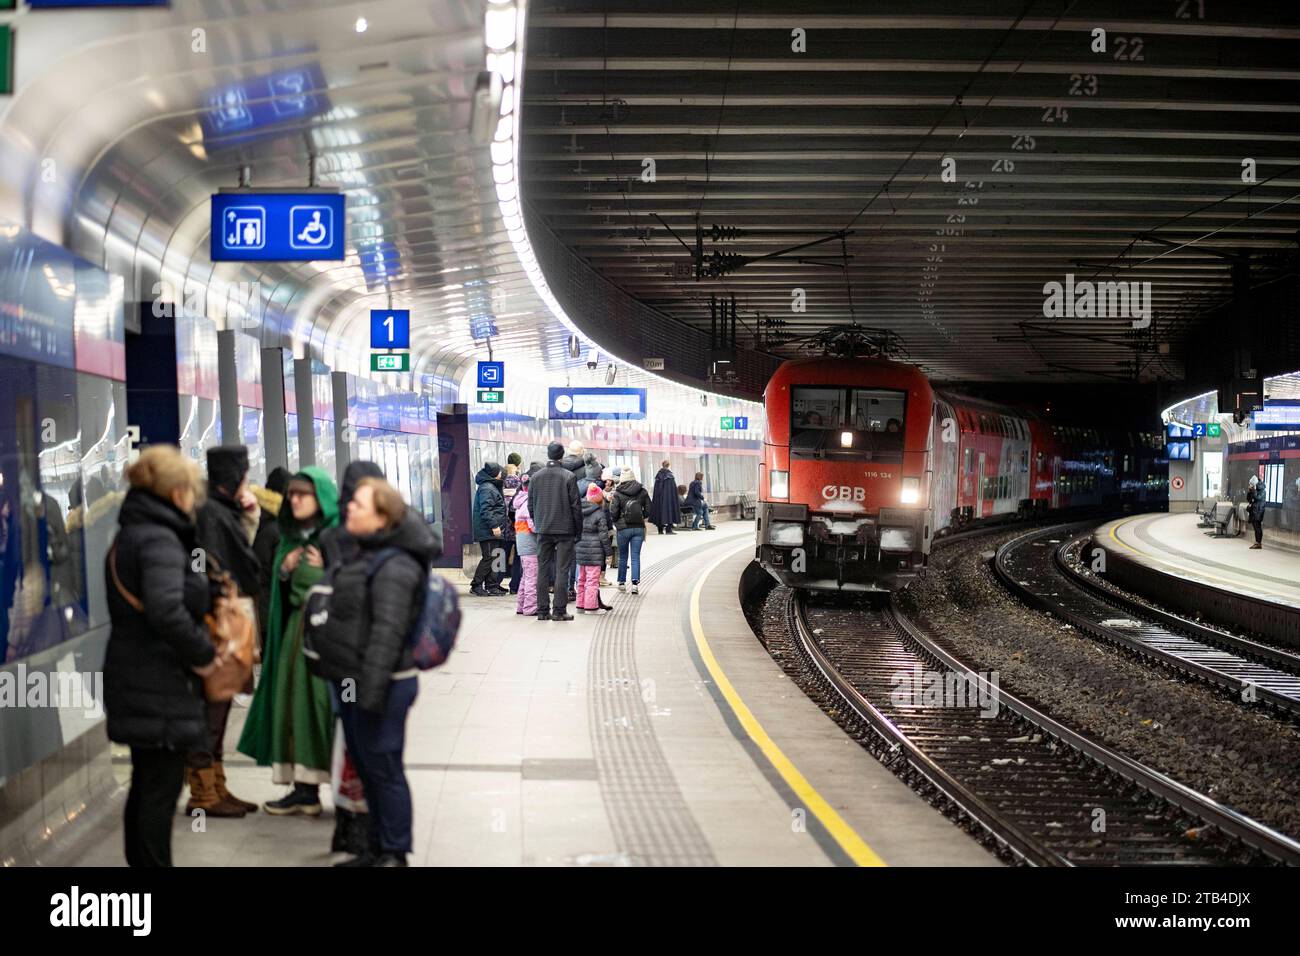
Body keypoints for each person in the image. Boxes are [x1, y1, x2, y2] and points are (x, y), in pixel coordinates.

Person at [311, 478, 437, 867]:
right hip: (354, 681)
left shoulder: (395, 564)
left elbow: (388, 630)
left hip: (381, 683)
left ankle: (395, 853)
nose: (349, 508)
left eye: (359, 505)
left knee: (384, 769)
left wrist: (370, 692)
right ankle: (376, 848)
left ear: (382, 516)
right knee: (367, 767)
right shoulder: (366, 552)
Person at [103, 446, 220, 866]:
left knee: (146, 785)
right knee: (159, 792)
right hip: (159, 683)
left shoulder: (132, 532)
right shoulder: (158, 538)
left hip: (136, 678)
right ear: (176, 492)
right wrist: (204, 654)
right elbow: (166, 609)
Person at [237, 467, 339, 815]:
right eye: (292, 494)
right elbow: (275, 581)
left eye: (303, 494)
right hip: (295, 637)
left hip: (329, 640)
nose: (294, 500)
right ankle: (305, 788)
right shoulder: (289, 538)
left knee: (325, 710)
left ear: (320, 498)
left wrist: (330, 566)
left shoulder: (337, 536)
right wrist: (285, 568)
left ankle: (345, 791)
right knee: (296, 708)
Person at [189, 445, 263, 818]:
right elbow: (242, 568)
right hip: (214, 627)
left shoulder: (216, 511)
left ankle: (216, 785)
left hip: (217, 624)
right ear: (235, 477)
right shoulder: (213, 515)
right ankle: (203, 794)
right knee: (212, 708)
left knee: (218, 708)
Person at [318, 460, 385, 856]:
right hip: (365, 652)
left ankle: (348, 823)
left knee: (347, 739)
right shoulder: (385, 534)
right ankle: (359, 824)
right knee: (365, 744)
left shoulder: (330, 537)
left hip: (339, 653)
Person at [529, 441, 582, 621]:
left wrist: (539, 522)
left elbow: (530, 506)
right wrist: (578, 530)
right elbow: (576, 506)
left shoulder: (536, 477)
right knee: (562, 570)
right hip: (565, 530)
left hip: (543, 529)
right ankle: (559, 611)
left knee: (542, 569)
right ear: (562, 455)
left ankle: (542, 611)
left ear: (548, 454)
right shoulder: (568, 476)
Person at [609, 468, 652, 594]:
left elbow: (614, 512)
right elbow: (649, 509)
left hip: (623, 529)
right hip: (638, 528)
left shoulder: (617, 493)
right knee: (635, 557)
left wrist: (617, 522)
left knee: (623, 556)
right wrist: (640, 516)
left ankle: (622, 583)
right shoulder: (642, 491)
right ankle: (635, 584)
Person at [469, 461, 508, 597]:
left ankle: (492, 585)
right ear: (494, 474)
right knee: (488, 557)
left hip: (491, 529)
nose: (501, 474)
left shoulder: (490, 486)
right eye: (499, 472)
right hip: (488, 530)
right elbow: (486, 510)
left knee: (494, 556)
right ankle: (476, 585)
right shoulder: (487, 488)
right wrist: (494, 526)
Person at [576, 484, 614, 614]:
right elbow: (604, 536)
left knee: (582, 579)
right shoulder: (599, 513)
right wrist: (609, 553)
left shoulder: (579, 510)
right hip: (595, 551)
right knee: (592, 580)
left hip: (580, 548)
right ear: (599, 499)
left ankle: (580, 605)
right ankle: (591, 606)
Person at [513, 466, 540, 616]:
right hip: (529, 544)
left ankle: (521, 606)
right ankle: (530, 608)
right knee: (532, 577)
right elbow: (533, 526)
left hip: (522, 544)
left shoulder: (520, 500)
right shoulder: (528, 503)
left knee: (526, 576)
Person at [502, 462, 523, 594]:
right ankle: (515, 586)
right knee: (518, 558)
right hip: (518, 529)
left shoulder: (499, 487)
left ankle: (495, 582)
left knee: (502, 555)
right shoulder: (519, 490)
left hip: (504, 529)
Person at [650, 460, 680, 534]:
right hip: (668, 499)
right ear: (668, 466)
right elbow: (673, 490)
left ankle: (660, 530)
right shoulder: (670, 476)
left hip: (659, 498)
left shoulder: (658, 475)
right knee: (669, 510)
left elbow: (656, 489)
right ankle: (668, 529)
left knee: (659, 511)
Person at [1247, 474, 1266, 549]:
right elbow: (1249, 499)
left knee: (1257, 527)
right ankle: (1257, 542)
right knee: (1255, 527)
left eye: (1252, 484)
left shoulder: (1262, 490)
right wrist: (1249, 491)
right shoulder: (1254, 490)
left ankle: (1258, 543)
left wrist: (1253, 490)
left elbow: (1258, 498)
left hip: (1259, 511)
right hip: (1254, 510)